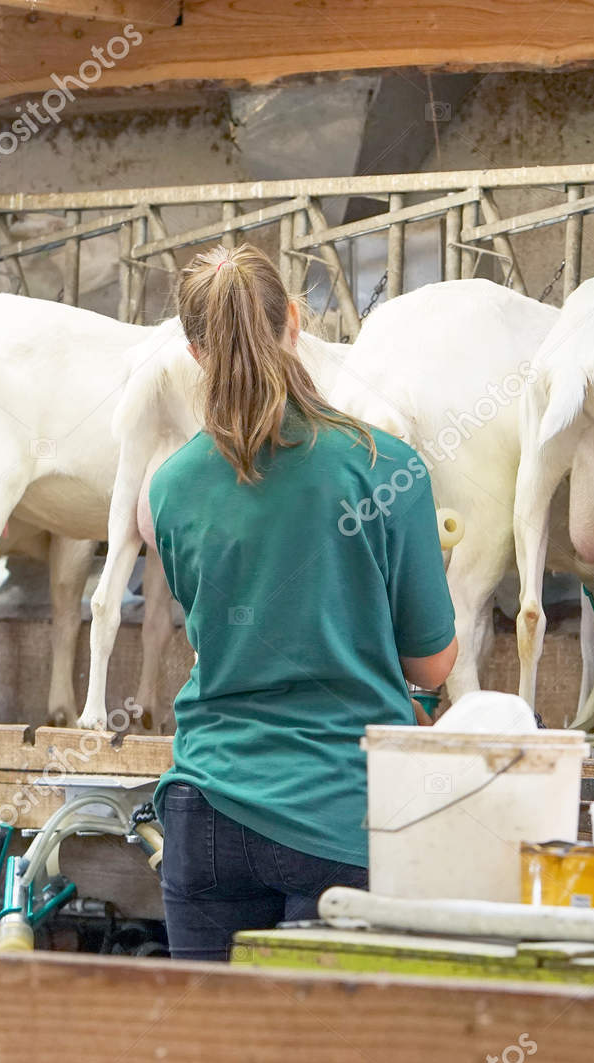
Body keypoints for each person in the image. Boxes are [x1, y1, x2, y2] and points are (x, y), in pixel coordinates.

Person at [147, 243, 458, 961]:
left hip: (208, 808)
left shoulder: (171, 488)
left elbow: (221, 633)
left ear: (196, 350)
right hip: (341, 817)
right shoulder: (387, 469)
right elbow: (433, 664)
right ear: (294, 318)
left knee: (218, 1059)